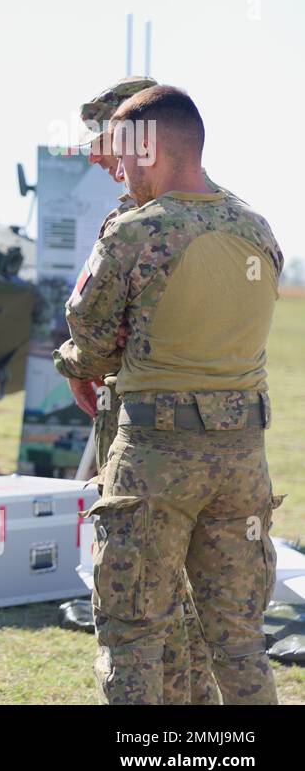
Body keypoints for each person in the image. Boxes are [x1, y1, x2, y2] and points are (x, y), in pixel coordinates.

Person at [54, 85, 282, 704]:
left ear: (149, 151)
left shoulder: (134, 232)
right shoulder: (256, 227)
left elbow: (92, 343)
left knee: (132, 636)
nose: (119, 175)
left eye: (123, 160)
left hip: (155, 456)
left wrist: (74, 360)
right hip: (242, 460)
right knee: (238, 640)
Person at [75, 76, 219, 704]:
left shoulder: (148, 219)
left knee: (138, 605)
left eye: (106, 139)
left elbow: (101, 328)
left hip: (154, 442)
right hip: (162, 433)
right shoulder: (199, 212)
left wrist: (77, 360)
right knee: (169, 603)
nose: (98, 155)